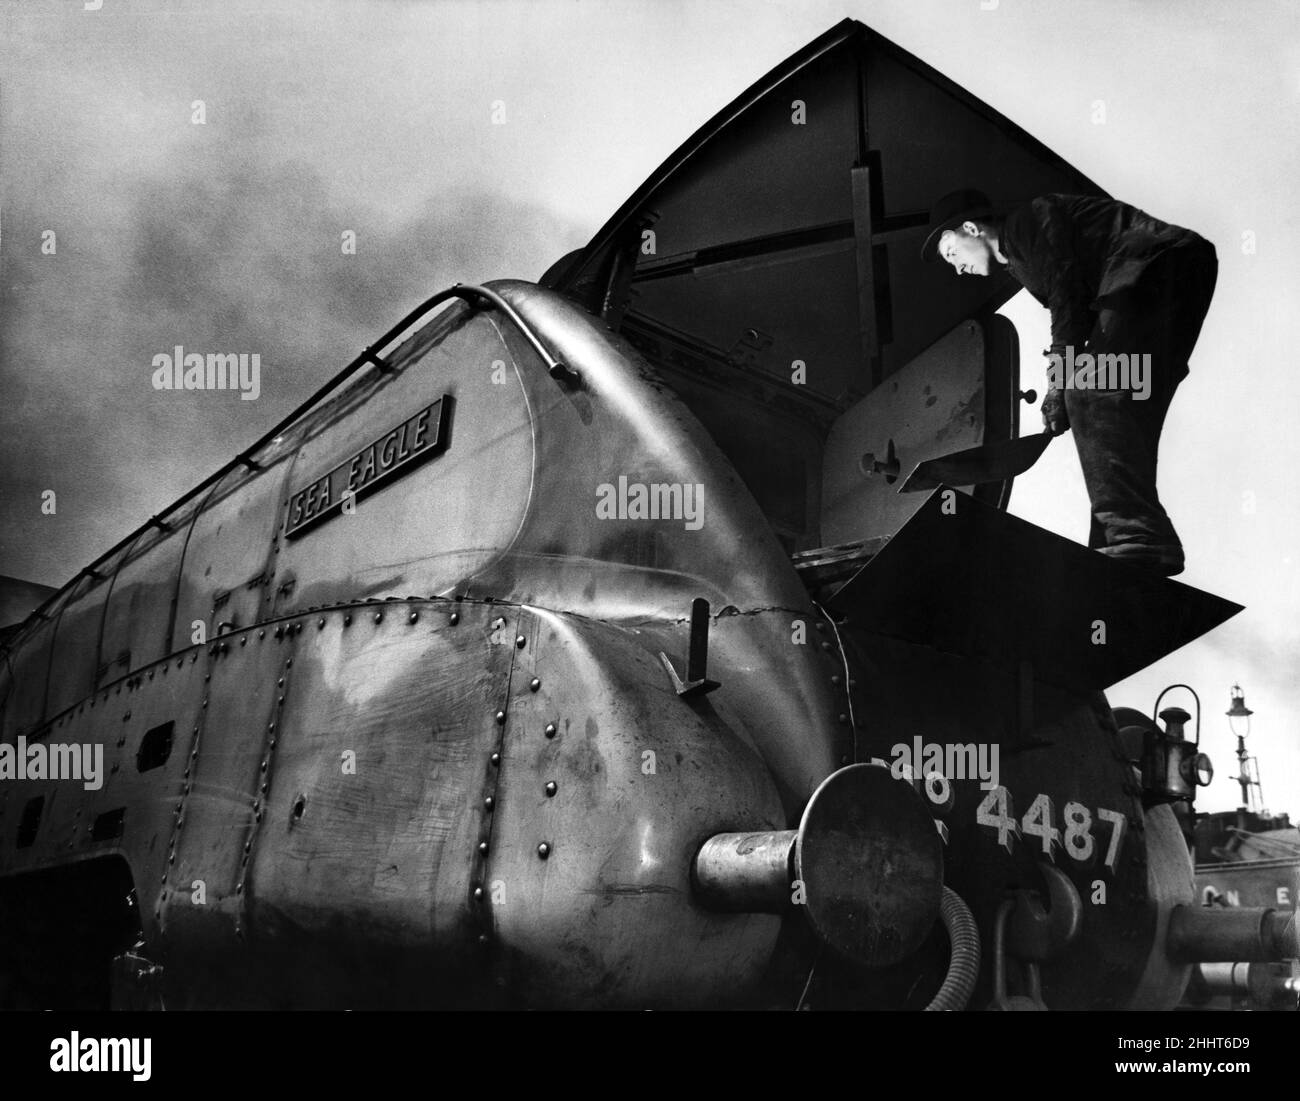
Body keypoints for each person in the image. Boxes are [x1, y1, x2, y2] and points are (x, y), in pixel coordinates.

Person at [921, 189, 1217, 577]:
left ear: (972, 228)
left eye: (953, 254)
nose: (958, 268)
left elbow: (1068, 300)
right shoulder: (1022, 256)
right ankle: (1122, 542)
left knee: (1090, 389)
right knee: (1118, 408)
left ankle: (1138, 535)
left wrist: (1060, 386)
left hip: (1152, 266)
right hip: (1173, 273)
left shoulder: (1026, 226)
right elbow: (1084, 316)